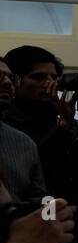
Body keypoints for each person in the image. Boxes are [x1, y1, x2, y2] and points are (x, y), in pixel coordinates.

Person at [2, 45, 78, 203]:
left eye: (53, 78)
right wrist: (64, 127)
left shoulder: (73, 126)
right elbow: (39, 167)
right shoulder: (7, 127)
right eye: (38, 77)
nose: (49, 84)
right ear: (15, 80)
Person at [0, 57, 47, 202]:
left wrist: (52, 216)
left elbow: (42, 199)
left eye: (11, 78)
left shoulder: (25, 143)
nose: (8, 83)